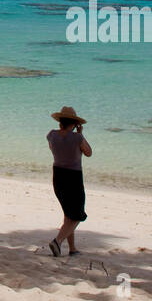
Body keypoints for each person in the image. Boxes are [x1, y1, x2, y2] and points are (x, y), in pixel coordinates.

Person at [47, 106, 91, 256]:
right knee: (78, 215)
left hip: (58, 175)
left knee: (68, 214)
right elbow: (89, 152)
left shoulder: (51, 135)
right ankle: (57, 241)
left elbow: (55, 149)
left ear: (60, 122)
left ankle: (72, 249)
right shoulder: (77, 138)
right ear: (74, 123)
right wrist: (80, 134)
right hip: (73, 178)